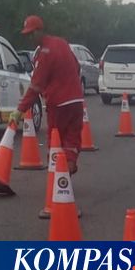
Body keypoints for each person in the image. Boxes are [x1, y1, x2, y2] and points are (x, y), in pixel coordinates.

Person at [9, 15, 84, 175]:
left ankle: (57, 178)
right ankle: (68, 169)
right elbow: (76, 67)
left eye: (32, 33)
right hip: (77, 100)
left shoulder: (44, 53)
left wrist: (20, 110)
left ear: (40, 30)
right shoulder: (62, 43)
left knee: (55, 138)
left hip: (59, 103)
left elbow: (35, 86)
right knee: (72, 138)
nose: (30, 37)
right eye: (27, 34)